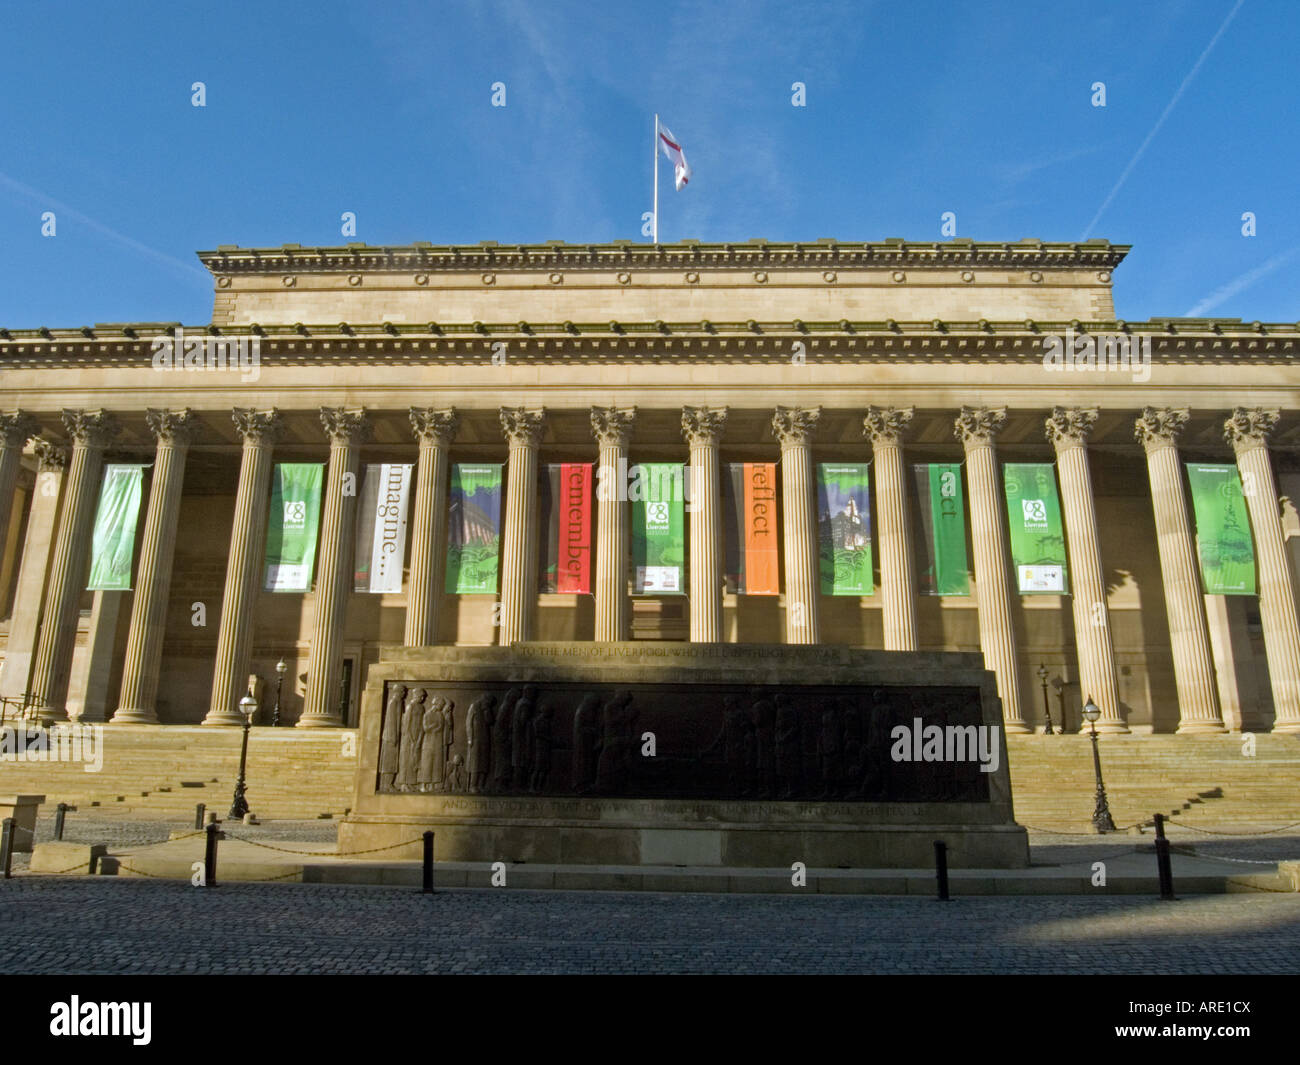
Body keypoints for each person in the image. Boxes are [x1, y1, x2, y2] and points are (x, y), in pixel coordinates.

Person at [465, 693, 497, 793]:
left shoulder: (487, 708)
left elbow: (490, 721)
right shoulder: (474, 706)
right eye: (488, 702)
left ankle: (481, 785)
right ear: (484, 699)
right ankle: (472, 785)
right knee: (475, 763)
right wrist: (470, 738)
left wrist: (487, 710)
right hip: (475, 739)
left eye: (490, 703)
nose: (488, 704)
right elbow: (468, 723)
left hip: (485, 738)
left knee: (484, 762)